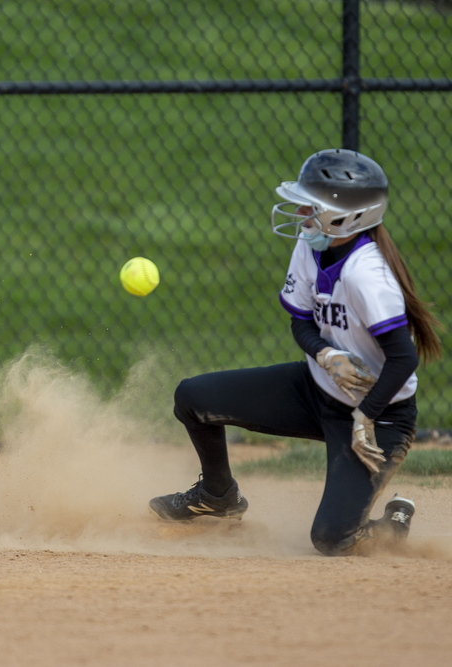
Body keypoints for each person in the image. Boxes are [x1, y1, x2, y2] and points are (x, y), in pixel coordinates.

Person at [148, 149, 442, 556]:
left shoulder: (367, 276)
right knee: (193, 398)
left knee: (332, 540)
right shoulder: (310, 244)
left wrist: (365, 415)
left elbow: (404, 359)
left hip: (380, 418)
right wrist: (325, 355)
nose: (301, 211)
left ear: (347, 217)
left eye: (312, 205)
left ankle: (392, 525)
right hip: (315, 389)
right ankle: (217, 496)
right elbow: (301, 321)